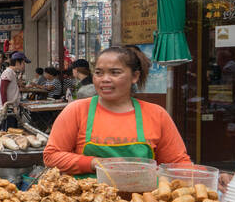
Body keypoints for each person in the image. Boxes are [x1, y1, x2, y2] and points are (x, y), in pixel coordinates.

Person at [44, 45, 193, 177]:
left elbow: (178, 163)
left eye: (115, 73)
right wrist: (96, 163)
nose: (105, 79)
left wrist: (203, 178)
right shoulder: (77, 110)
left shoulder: (156, 114)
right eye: (99, 73)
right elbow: (51, 156)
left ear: (135, 76)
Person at [0, 52, 27, 129]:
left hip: (11, 108)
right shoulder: (8, 72)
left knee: (13, 131)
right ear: (17, 62)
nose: (24, 66)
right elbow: (2, 90)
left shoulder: (12, 73)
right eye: (23, 63)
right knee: (9, 132)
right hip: (8, 109)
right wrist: (5, 107)